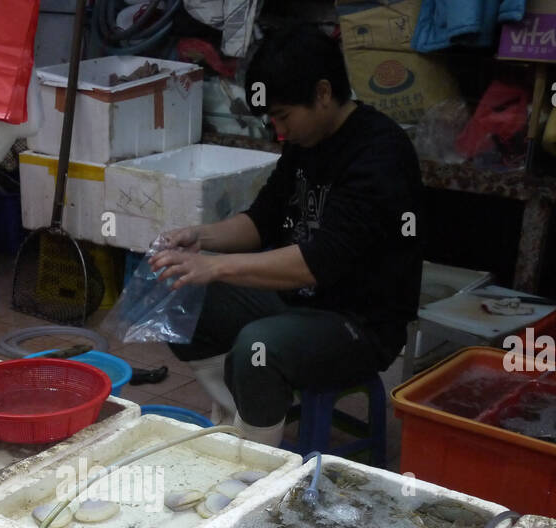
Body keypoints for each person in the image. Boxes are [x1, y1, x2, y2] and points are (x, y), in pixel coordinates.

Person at [149, 25, 423, 446]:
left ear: (323, 93)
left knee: (259, 349)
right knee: (180, 294)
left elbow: (316, 263)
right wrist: (199, 239)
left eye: (283, 116)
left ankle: (255, 469)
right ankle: (242, 416)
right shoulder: (306, 139)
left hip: (360, 325)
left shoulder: (380, 154)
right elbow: (262, 220)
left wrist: (215, 266)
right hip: (299, 301)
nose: (278, 131)